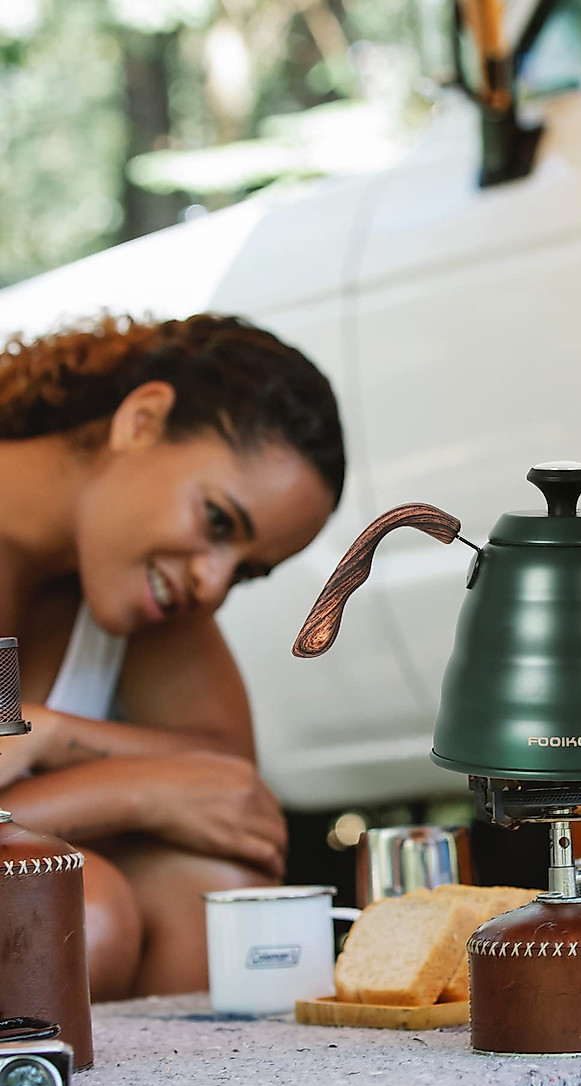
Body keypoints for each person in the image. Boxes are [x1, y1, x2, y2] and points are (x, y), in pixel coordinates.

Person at [0, 313, 344, 999]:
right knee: (73, 909)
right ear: (143, 420)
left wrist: (55, 733)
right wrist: (141, 789)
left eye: (245, 572)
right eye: (218, 521)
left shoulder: (133, 576)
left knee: (216, 891)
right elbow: (190, 781)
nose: (212, 584)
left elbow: (227, 790)